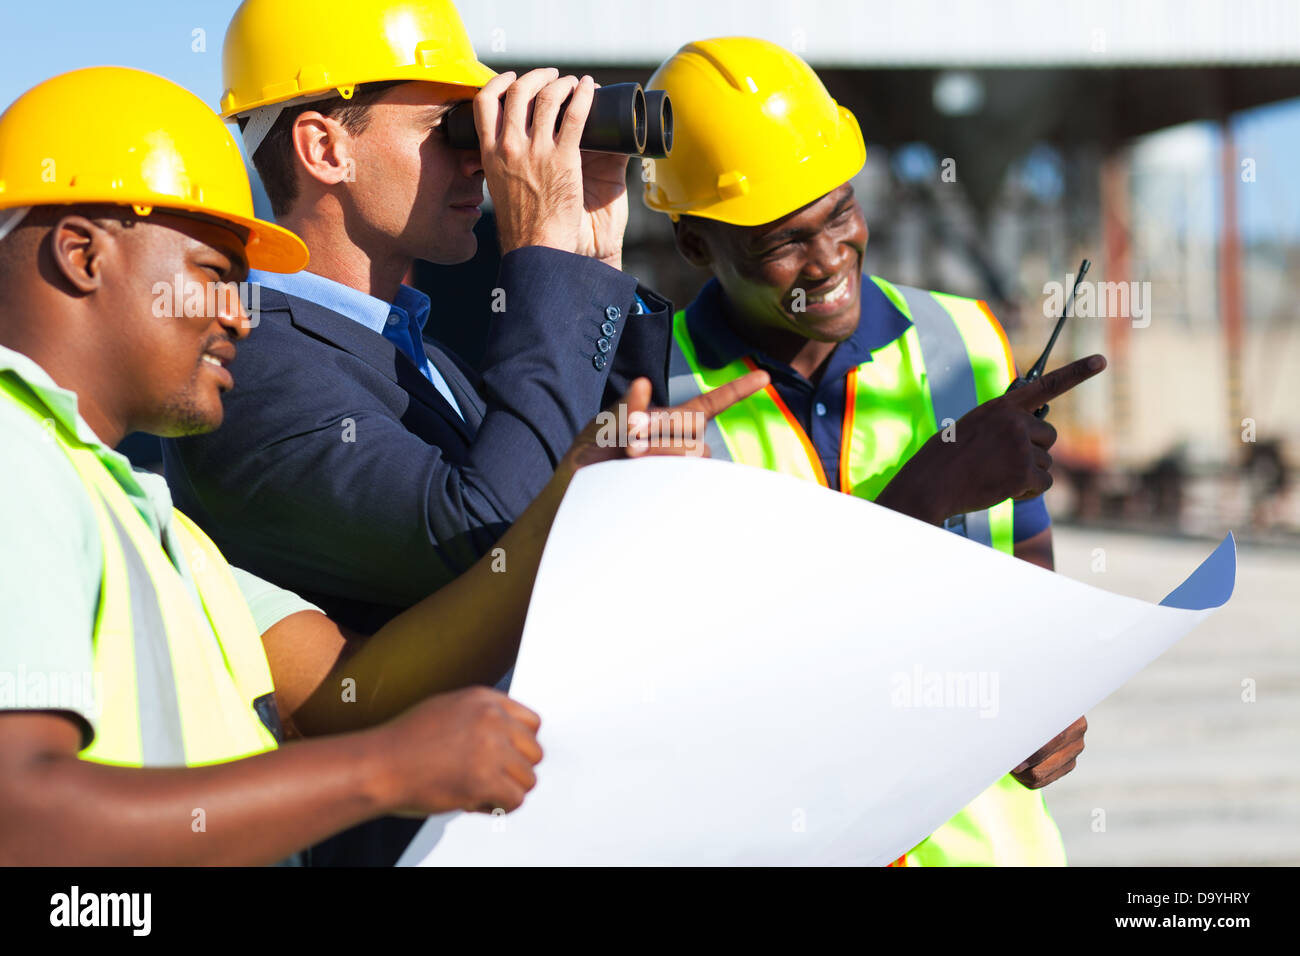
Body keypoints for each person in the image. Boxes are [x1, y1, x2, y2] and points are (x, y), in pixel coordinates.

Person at [0, 66, 763, 866]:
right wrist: (543, 258)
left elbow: (347, 690)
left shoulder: (146, 517)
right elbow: (20, 820)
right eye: (213, 276)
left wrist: (588, 274)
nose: (239, 312)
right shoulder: (28, 456)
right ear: (81, 255)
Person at [644, 37, 1104, 866]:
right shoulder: (654, 396)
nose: (828, 262)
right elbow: (711, 679)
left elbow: (1028, 579)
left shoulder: (965, 341)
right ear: (692, 245)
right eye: (780, 243)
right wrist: (923, 497)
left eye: (841, 214)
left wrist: (1052, 698)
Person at [164, 0, 673, 636]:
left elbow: (591, 510)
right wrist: (543, 258)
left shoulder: (425, 360)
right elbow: (484, 537)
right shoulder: (249, 367)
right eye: (450, 128)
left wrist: (590, 260)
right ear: (325, 148)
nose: (481, 160)